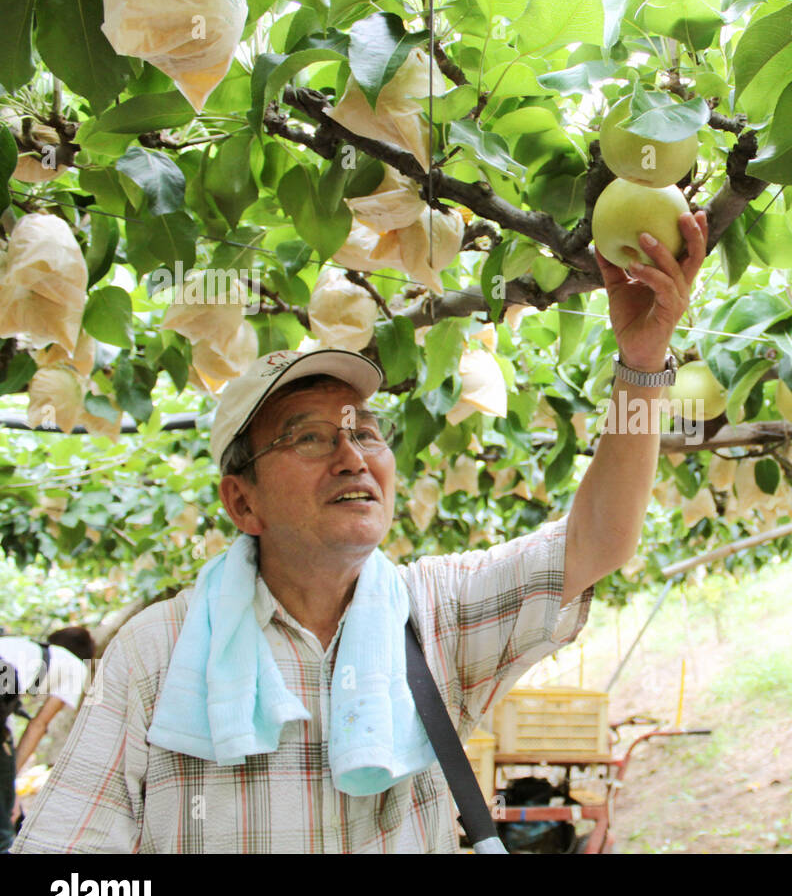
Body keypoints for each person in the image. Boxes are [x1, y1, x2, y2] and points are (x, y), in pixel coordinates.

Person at [12, 210, 709, 853]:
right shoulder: (156, 656)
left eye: (364, 431)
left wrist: (643, 366)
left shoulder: (435, 613)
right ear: (241, 502)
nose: (352, 456)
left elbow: (599, 541)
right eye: (309, 438)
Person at [0, 626, 95, 851]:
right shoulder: (75, 667)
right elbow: (38, 725)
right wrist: (10, 785)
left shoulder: (21, 647)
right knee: (4, 827)